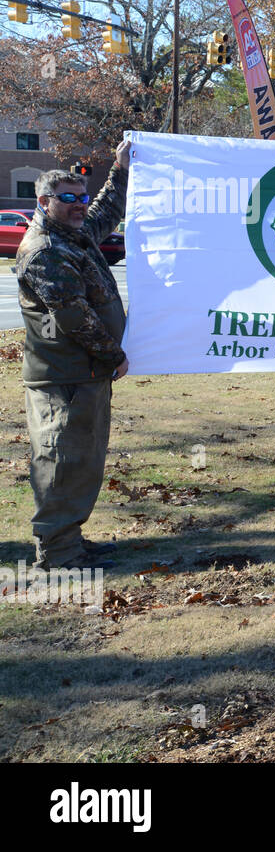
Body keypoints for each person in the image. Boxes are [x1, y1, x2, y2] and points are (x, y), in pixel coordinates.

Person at [17, 139, 132, 571]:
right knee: (60, 460)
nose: (79, 204)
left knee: (82, 460)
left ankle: (71, 541)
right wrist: (113, 355)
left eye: (81, 196)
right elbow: (74, 317)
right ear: (45, 202)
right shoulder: (45, 251)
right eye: (68, 199)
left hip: (84, 375)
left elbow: (106, 210)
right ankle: (58, 553)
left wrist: (119, 169)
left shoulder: (74, 233)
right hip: (61, 378)